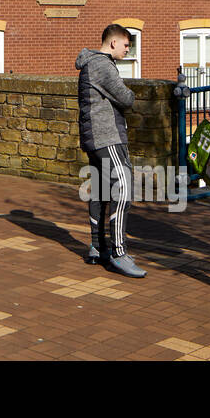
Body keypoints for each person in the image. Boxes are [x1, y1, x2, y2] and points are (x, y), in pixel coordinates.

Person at [76, 24, 145, 278]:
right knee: (123, 189)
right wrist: (128, 93)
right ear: (113, 42)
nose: (128, 49)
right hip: (107, 137)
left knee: (102, 190)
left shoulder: (91, 63)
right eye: (126, 45)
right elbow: (126, 98)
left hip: (93, 137)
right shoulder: (102, 65)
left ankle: (97, 246)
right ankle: (118, 252)